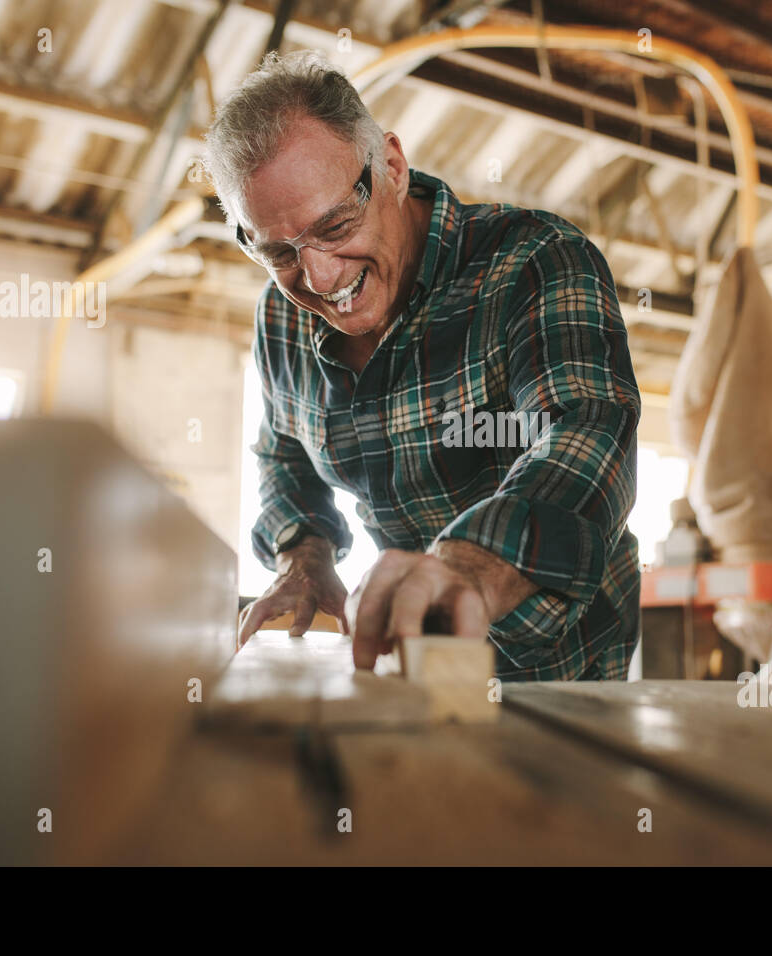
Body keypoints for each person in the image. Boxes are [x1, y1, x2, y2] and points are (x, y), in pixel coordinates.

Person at [207, 51, 641, 680]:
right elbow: (284, 457)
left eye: (335, 223)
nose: (320, 277)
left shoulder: (535, 262)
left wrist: (468, 568)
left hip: (562, 664)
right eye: (279, 250)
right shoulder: (281, 319)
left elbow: (587, 432)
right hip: (414, 661)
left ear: (391, 165)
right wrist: (302, 556)